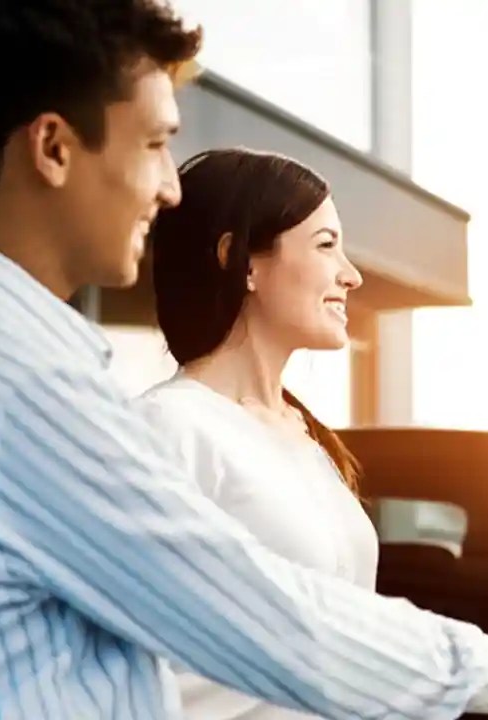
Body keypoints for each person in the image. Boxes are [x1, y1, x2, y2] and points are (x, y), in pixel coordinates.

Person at [0, 1, 488, 718]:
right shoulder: (24, 388)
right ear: (53, 147)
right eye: (153, 144)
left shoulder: (21, 369)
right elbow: (266, 617)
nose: (170, 186)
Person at [134, 146, 365, 718]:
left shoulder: (307, 438)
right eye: (326, 244)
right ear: (243, 261)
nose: (351, 275)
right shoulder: (170, 428)